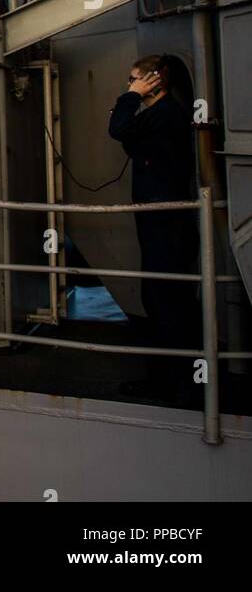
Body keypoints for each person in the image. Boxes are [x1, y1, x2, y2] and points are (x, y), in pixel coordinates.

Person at [107, 54, 199, 396]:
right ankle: (170, 378)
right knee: (161, 298)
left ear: (154, 80)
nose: (130, 86)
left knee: (167, 301)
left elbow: (118, 131)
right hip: (160, 222)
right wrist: (129, 112)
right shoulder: (160, 116)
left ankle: (174, 382)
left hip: (166, 225)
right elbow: (132, 142)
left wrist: (128, 102)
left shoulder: (166, 114)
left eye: (135, 80)